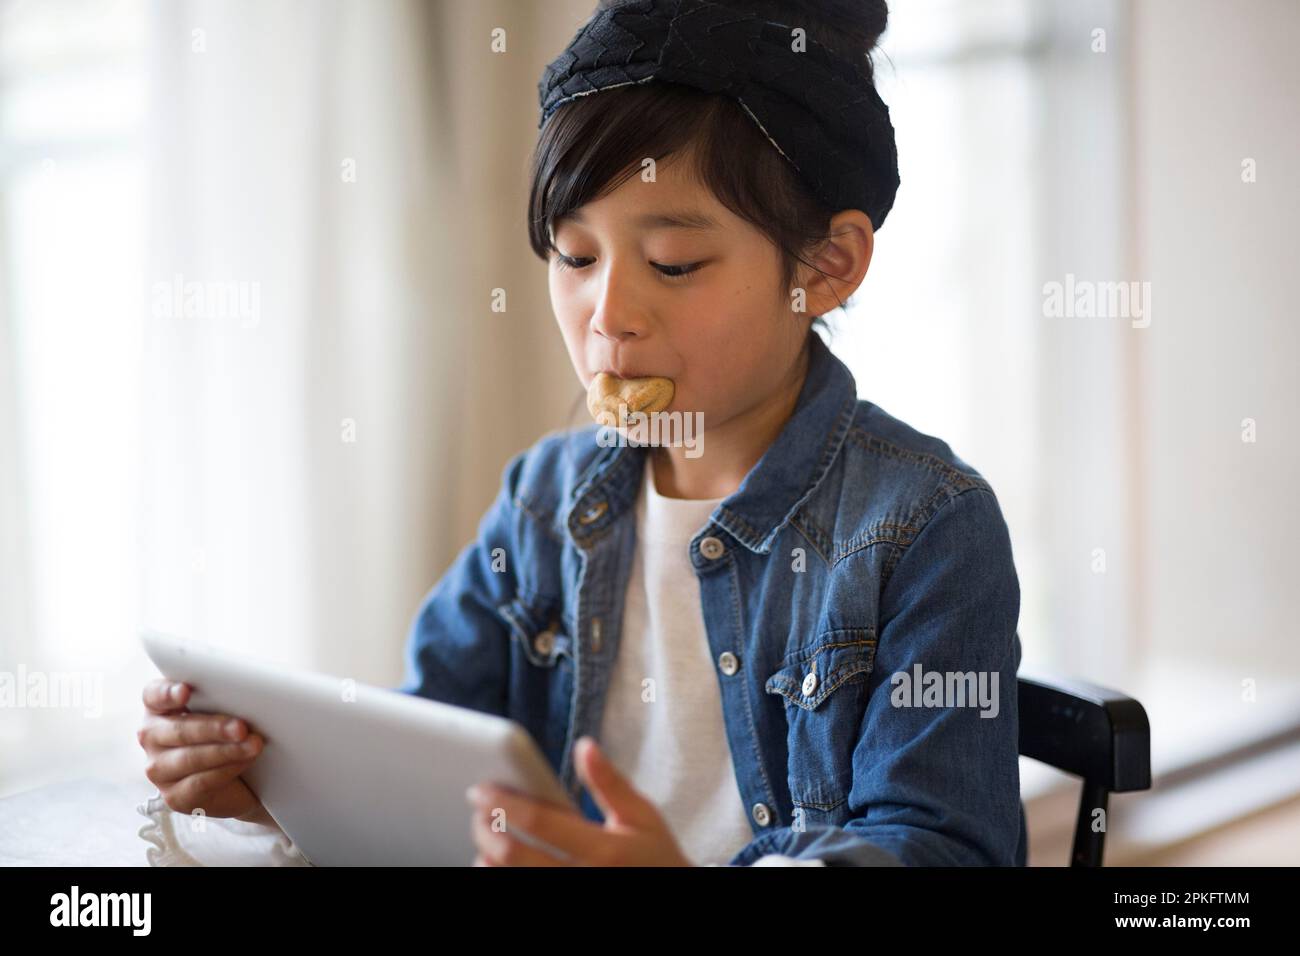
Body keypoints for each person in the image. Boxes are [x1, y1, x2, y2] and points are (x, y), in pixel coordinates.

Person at [136, 0, 1027, 867]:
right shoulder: (543, 503)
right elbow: (421, 752)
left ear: (826, 266)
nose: (609, 315)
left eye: (674, 263)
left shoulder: (927, 529)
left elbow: (938, 844)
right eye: (575, 256)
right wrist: (277, 785)